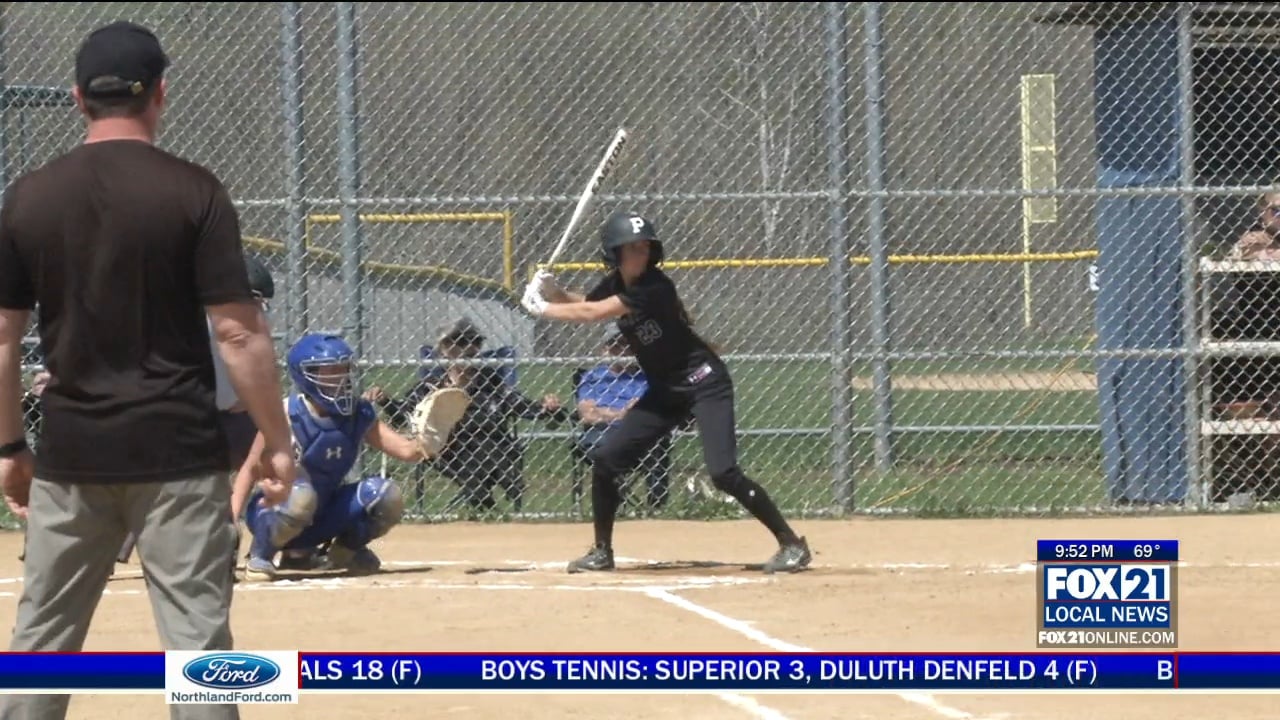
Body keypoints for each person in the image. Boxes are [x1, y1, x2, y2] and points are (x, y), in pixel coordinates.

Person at [0, 21, 295, 720]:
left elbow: (3, 335)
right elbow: (238, 332)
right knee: (199, 649)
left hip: (72, 457)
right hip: (178, 457)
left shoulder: (29, 196)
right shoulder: (194, 191)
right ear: (160, 93)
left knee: (41, 641)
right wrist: (277, 441)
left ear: (77, 98)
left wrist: (10, 446)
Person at [520, 210, 811, 574]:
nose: (640, 254)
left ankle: (791, 544)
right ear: (614, 254)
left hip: (705, 383)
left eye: (644, 248)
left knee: (722, 472)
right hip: (665, 390)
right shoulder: (617, 283)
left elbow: (593, 314)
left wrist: (543, 309)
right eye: (631, 249)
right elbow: (582, 302)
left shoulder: (654, 288)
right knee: (607, 460)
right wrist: (552, 290)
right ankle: (601, 551)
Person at [238, 332, 447, 582]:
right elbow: (250, 468)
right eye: (329, 372)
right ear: (305, 377)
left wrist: (432, 438)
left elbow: (407, 451)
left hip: (323, 511)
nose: (340, 379)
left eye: (343, 370)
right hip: (274, 511)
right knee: (301, 494)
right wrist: (230, 522)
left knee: (386, 495)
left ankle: (343, 552)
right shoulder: (286, 414)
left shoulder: (358, 413)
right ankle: (261, 555)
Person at [117, 253, 275, 565]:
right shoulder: (192, 323)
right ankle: (111, 543)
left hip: (227, 419)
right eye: (253, 300)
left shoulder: (240, 329)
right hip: (179, 421)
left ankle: (237, 526)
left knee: (268, 448)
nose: (259, 309)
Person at [367, 318, 569, 514]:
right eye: (461, 341)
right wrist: (385, 400)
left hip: (494, 444)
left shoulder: (491, 382)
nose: (470, 347)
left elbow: (522, 406)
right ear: (444, 349)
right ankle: (484, 503)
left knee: (488, 450)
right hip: (449, 451)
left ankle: (483, 503)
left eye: (475, 342)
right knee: (479, 456)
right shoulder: (431, 386)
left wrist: (548, 408)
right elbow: (405, 416)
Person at [573, 323, 672, 512]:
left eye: (628, 344)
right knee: (602, 444)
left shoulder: (646, 377)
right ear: (605, 349)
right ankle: (609, 506)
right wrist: (620, 414)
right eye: (616, 345)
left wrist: (603, 411)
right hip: (601, 433)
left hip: (638, 433)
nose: (623, 350)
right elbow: (587, 414)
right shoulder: (592, 377)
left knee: (659, 441)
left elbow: (641, 411)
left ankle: (657, 507)